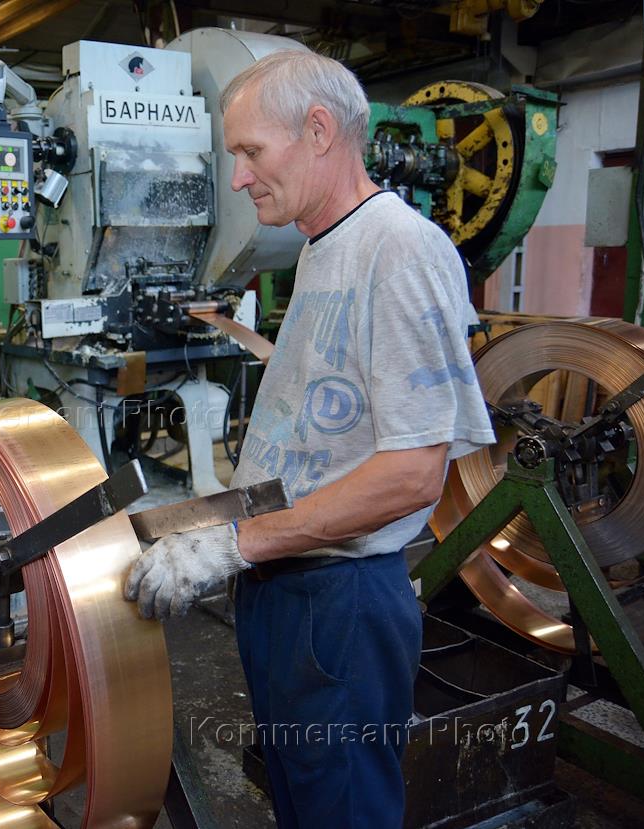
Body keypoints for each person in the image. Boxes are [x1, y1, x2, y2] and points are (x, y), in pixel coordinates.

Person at [123, 50, 495, 828]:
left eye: (250, 153)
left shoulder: (399, 248)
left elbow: (411, 476)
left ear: (319, 130)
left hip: (342, 604)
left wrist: (234, 546)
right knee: (301, 803)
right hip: (286, 588)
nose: (237, 178)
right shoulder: (324, 246)